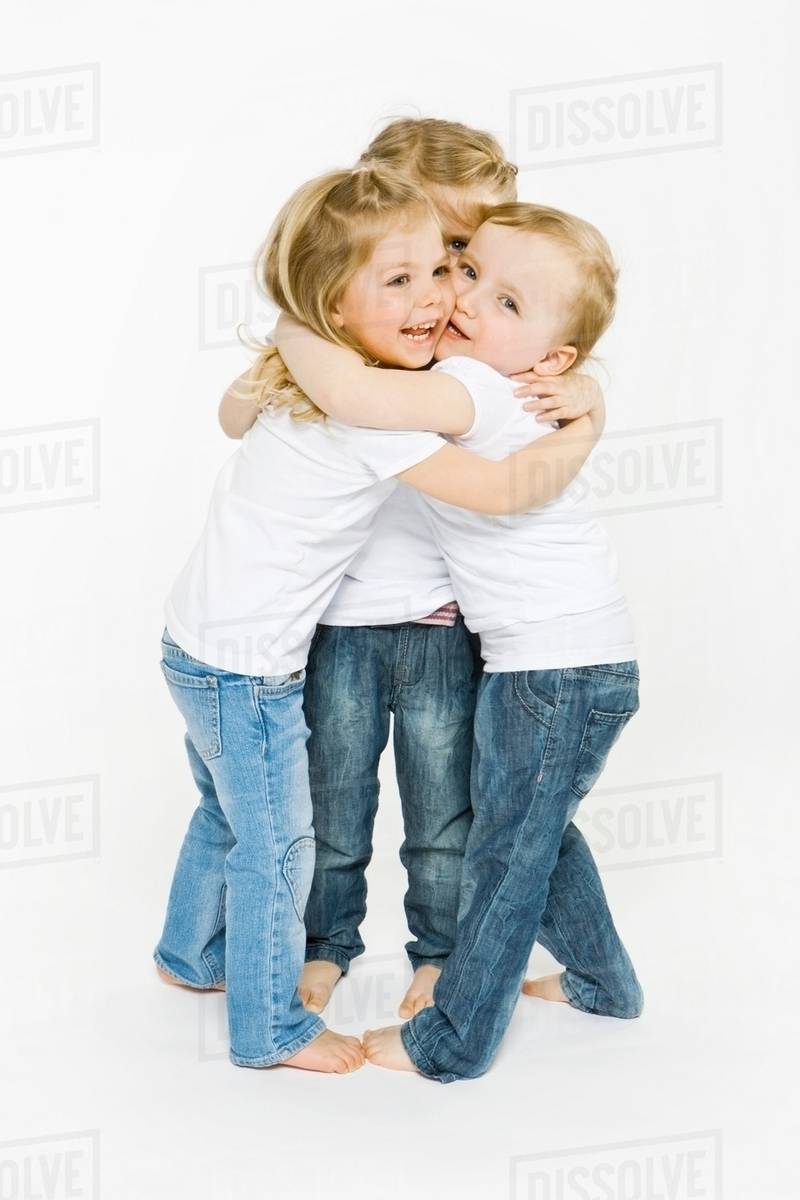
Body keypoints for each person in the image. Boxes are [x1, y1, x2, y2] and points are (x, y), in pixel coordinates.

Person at [154, 165, 603, 1074]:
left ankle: (191, 957)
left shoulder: (332, 370)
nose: (441, 300)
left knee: (226, 812)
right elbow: (498, 488)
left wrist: (296, 333)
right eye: (409, 278)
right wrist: (580, 437)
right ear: (336, 297)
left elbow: (249, 400)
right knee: (281, 838)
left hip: (196, 642)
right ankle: (265, 1028)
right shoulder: (368, 402)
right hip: (252, 664)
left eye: (450, 271)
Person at [275, 200, 643, 1081]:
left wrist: (292, 326)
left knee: (506, 854)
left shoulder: (480, 386)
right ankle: (603, 981)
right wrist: (590, 405)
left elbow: (356, 392)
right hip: (577, 665)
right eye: (469, 272)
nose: (469, 302)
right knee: (539, 835)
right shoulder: (513, 381)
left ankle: (455, 1039)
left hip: (551, 674)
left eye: (508, 303)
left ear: (554, 359)